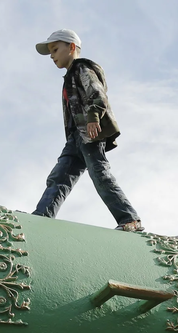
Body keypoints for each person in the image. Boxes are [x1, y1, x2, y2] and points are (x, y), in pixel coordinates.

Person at [32, 29, 144, 232]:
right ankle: (42, 217)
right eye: (50, 52)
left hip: (90, 134)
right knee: (59, 177)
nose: (52, 56)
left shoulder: (82, 68)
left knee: (100, 174)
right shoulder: (68, 77)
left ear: (72, 47)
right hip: (75, 139)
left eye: (55, 49)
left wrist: (93, 119)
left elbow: (97, 94)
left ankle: (130, 219)